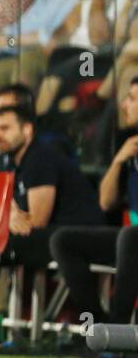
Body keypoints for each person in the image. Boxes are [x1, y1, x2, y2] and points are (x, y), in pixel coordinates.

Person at [0, 105, 105, 348]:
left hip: (80, 237)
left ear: (27, 129)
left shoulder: (40, 158)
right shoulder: (11, 161)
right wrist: (8, 214)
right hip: (54, 236)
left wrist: (8, 214)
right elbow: (15, 214)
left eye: (5, 128)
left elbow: (36, 222)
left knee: (0, 241)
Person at [49, 77, 138, 329]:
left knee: (129, 237)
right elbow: (106, 202)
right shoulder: (128, 145)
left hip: (132, 239)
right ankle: (99, 324)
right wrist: (119, 161)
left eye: (132, 99)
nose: (123, 105)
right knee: (63, 240)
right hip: (131, 240)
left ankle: (119, 332)